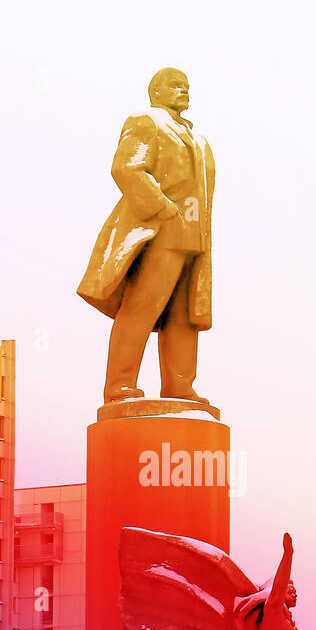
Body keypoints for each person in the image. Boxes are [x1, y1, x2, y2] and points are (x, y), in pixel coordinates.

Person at [77, 68, 215, 405]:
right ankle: (120, 385)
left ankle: (180, 386)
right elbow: (125, 168)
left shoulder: (198, 140)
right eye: (174, 86)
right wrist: (162, 207)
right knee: (141, 308)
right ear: (155, 92)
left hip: (193, 239)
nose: (183, 91)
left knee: (184, 319)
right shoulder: (146, 121)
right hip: (159, 232)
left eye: (186, 86)